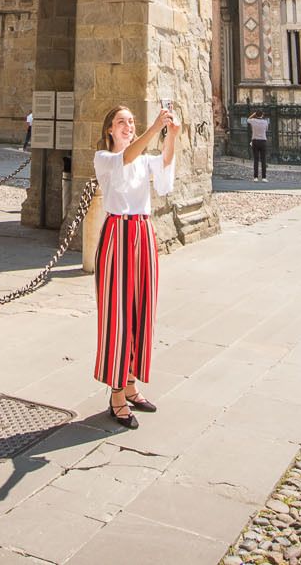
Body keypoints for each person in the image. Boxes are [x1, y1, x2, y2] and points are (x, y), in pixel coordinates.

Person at [93, 102, 177, 428]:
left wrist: (174, 133)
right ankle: (115, 394)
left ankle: (130, 382)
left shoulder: (143, 160)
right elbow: (125, 158)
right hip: (118, 233)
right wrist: (155, 128)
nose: (128, 126)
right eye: (121, 122)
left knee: (141, 309)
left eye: (131, 121)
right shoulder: (106, 159)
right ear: (109, 130)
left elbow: (166, 163)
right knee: (118, 313)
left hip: (143, 232)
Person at [245, 109, 269, 181]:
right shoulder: (265, 122)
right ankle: (264, 177)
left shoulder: (253, 121)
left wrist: (253, 114)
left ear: (256, 114)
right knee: (263, 160)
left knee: (256, 159)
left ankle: (255, 177)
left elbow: (247, 119)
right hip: (263, 141)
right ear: (262, 115)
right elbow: (266, 129)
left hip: (255, 141)